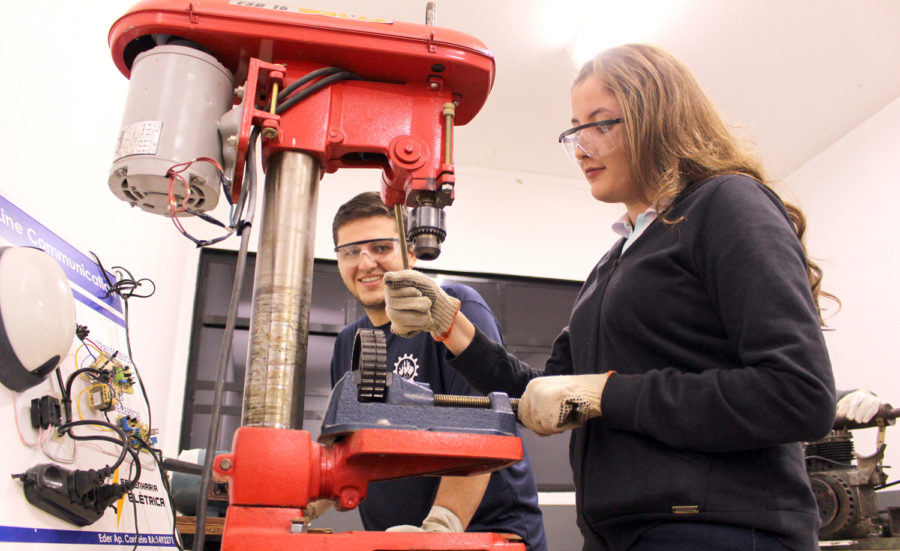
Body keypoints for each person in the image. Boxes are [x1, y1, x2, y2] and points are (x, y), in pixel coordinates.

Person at [382, 44, 837, 551]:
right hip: (617, 534)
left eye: (600, 124)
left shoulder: (726, 203)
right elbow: (546, 392)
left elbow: (798, 394)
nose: (581, 148)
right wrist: (450, 325)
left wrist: (606, 394)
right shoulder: (613, 261)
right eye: (574, 130)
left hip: (717, 531)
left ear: (658, 118)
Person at [324, 191, 547, 550]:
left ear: (411, 251)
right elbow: (349, 446)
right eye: (350, 251)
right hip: (392, 541)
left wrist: (441, 528)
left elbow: (484, 428)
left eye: (381, 248)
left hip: (481, 536)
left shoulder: (451, 309)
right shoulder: (349, 342)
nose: (365, 263)